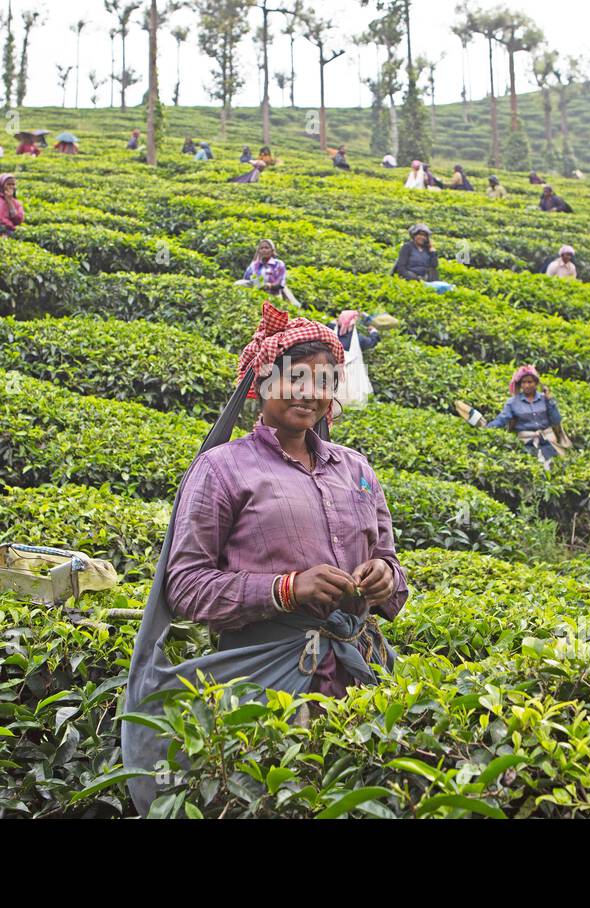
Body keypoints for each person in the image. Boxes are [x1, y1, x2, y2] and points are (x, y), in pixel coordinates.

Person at [123, 302, 407, 815]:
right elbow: (185, 585)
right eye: (295, 377)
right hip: (264, 681)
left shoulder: (356, 469)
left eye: (324, 380)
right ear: (263, 379)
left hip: (361, 676)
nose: (309, 392)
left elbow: (389, 559)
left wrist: (385, 577)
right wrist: (286, 588)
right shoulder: (223, 469)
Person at [486, 366, 568, 468]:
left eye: (530, 382)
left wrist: (550, 401)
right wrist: (487, 428)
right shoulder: (513, 402)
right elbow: (502, 419)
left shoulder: (544, 399)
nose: (526, 385)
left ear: (536, 383)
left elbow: (556, 420)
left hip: (548, 442)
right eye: (523, 382)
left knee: (553, 470)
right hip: (526, 444)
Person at [329, 310, 377, 407]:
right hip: (352, 374)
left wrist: (332, 323)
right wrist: (373, 332)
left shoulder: (330, 333)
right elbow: (371, 343)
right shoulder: (359, 339)